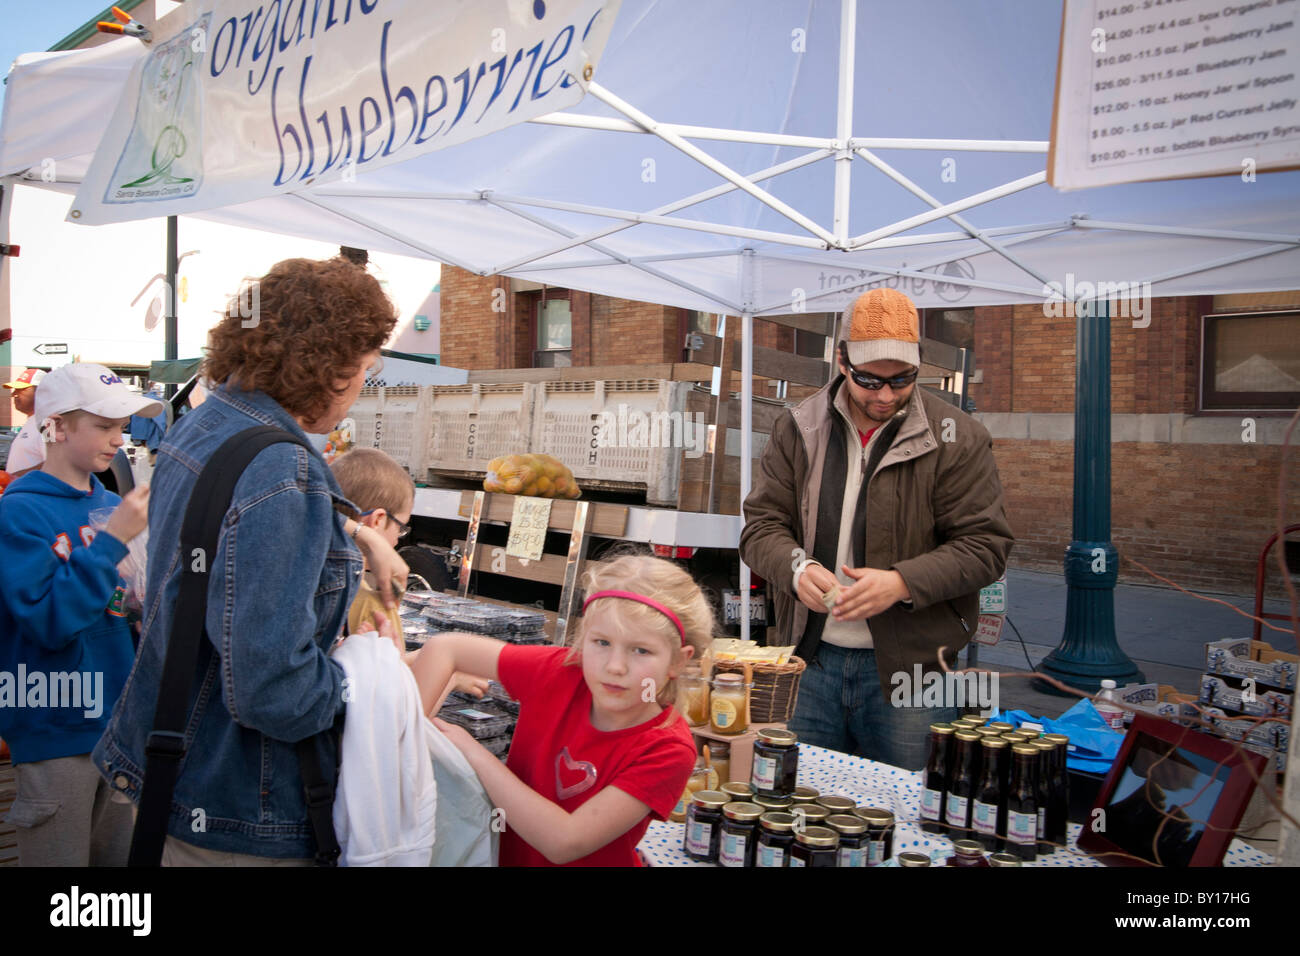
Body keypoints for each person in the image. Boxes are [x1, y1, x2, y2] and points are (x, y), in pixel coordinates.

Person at [93, 256, 409, 865]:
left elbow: (230, 528)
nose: (361, 387)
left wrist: (356, 533)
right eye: (364, 370)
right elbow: (273, 692)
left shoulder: (209, 421)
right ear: (327, 365)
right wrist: (368, 682)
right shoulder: (284, 469)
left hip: (173, 766)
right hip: (237, 807)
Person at [740, 287, 1013, 771]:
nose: (885, 395)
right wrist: (797, 569)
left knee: (911, 811)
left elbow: (986, 547)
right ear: (842, 360)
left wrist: (902, 582)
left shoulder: (959, 437)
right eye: (870, 380)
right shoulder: (798, 427)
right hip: (810, 660)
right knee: (798, 803)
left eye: (902, 379)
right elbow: (761, 527)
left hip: (917, 672)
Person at [411, 554, 708, 866]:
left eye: (641, 650)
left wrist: (475, 754)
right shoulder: (562, 672)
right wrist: (404, 759)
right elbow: (445, 648)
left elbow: (564, 842)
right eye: (601, 642)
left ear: (677, 661)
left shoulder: (668, 749)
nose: (615, 666)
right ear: (582, 637)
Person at [0, 363, 160, 865]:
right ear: (56, 426)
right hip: (54, 725)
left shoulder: (111, 503)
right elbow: (49, 620)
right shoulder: (18, 512)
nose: (118, 438)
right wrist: (114, 540)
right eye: (103, 425)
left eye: (122, 426)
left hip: (116, 726)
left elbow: (132, 610)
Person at [329, 446, 487, 698]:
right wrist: (450, 677)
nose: (396, 542)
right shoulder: (372, 605)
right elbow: (397, 706)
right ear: (378, 520)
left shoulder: (324, 578)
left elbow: (391, 663)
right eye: (400, 528)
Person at [3, 368, 47, 478]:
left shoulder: (48, 423)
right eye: (14, 390)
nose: (14, 394)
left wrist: (13, 479)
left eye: (21, 389)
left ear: (41, 392)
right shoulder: (32, 420)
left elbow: (55, 464)